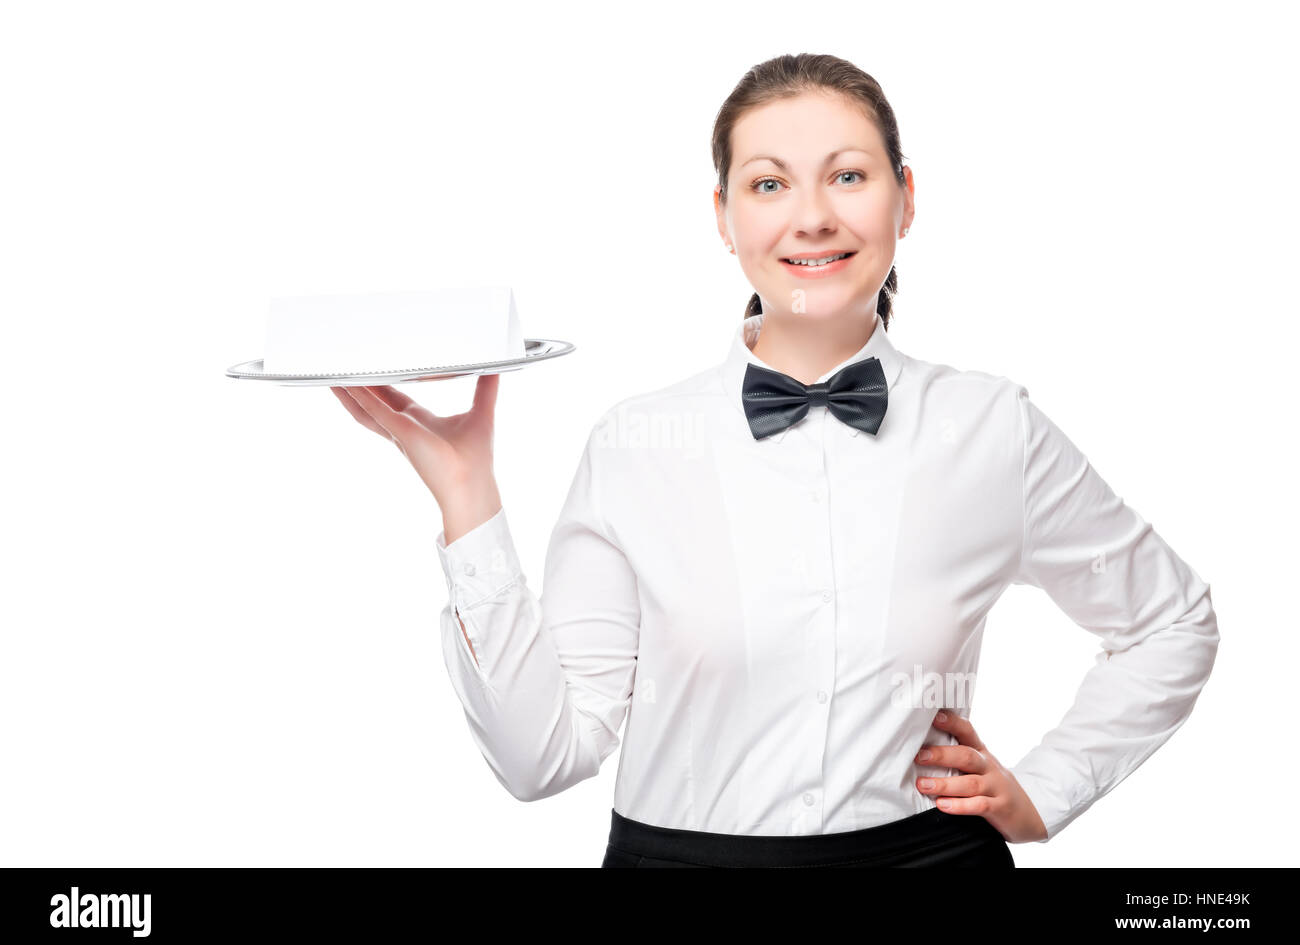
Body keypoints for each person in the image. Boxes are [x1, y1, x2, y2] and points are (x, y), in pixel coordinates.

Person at [330, 53, 1219, 868]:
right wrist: (465, 493)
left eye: (848, 175)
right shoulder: (634, 445)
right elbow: (543, 757)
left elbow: (1171, 623)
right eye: (768, 183)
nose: (812, 216)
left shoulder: (993, 428)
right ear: (722, 216)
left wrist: (1049, 790)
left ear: (905, 199)